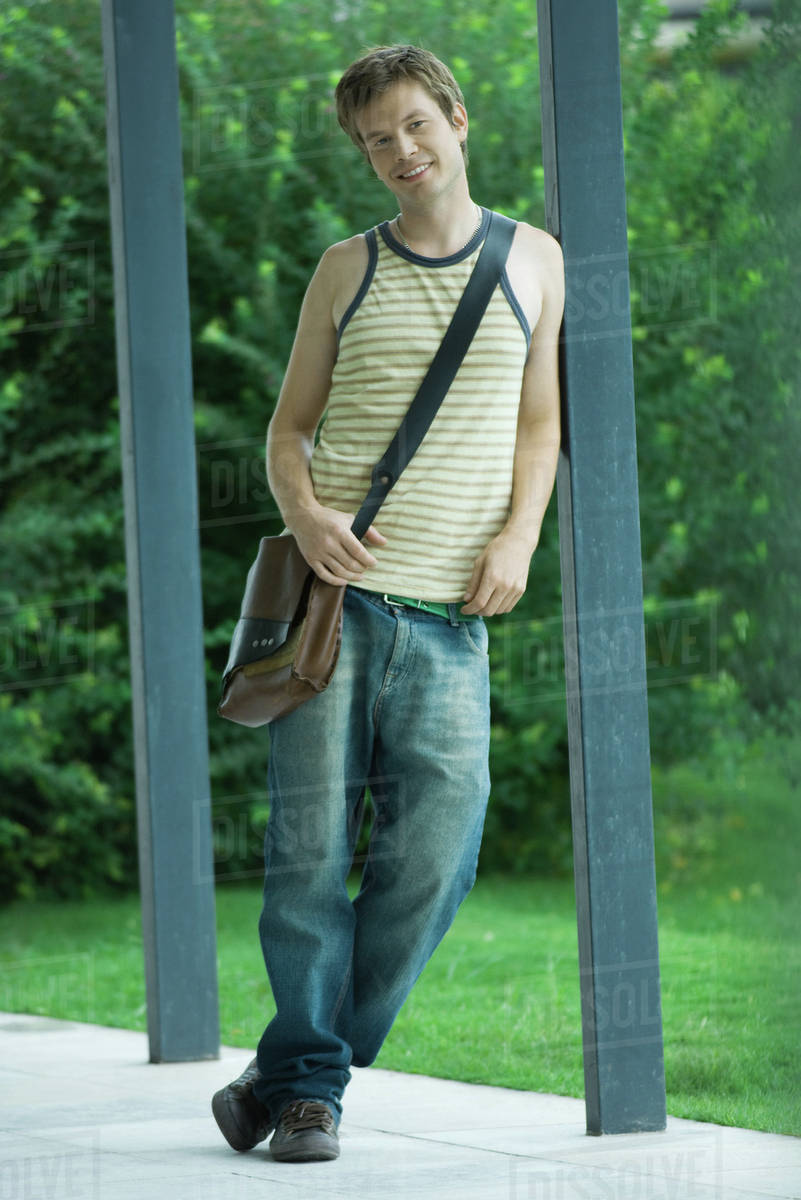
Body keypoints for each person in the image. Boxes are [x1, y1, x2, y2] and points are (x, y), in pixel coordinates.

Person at [211, 43, 565, 1164]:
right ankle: (312, 1092)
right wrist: (308, 517)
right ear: (363, 154)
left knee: (441, 856)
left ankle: (287, 1066)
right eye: (377, 139)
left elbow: (537, 427)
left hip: (455, 617)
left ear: (457, 118)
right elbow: (288, 431)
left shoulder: (536, 261)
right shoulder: (342, 269)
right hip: (336, 610)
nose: (401, 150)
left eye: (417, 124)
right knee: (309, 852)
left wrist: (521, 534)